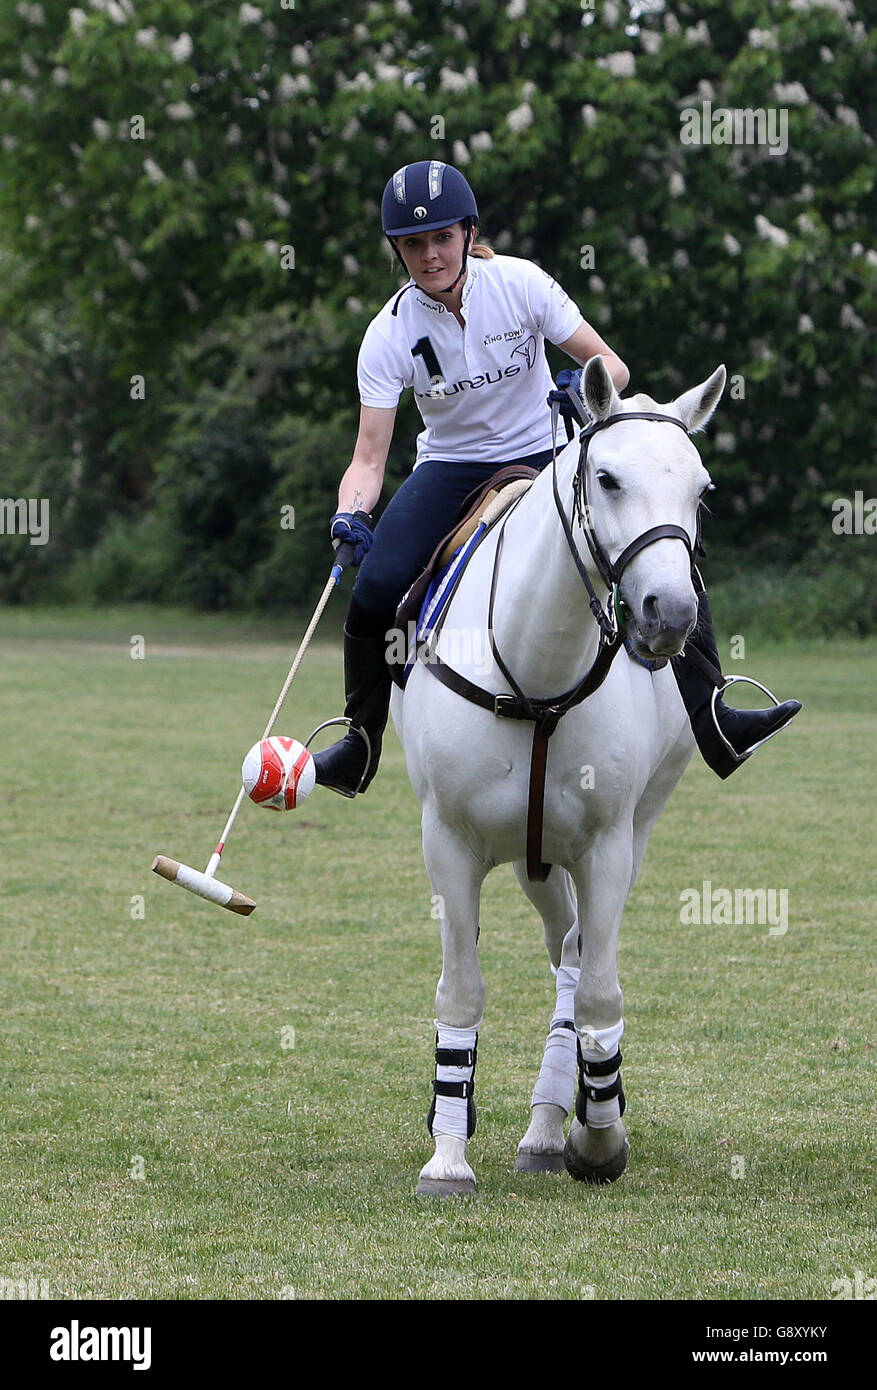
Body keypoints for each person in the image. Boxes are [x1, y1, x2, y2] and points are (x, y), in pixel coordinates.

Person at [313, 159, 800, 796]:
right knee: (376, 589)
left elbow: (614, 371)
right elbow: (369, 458)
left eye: (442, 238)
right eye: (413, 244)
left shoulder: (520, 284)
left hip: (547, 450)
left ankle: (714, 714)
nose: (430, 255)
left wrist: (577, 382)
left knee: (656, 542)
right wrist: (352, 513)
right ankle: (360, 743)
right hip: (449, 467)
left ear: (467, 233)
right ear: (397, 250)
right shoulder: (388, 334)